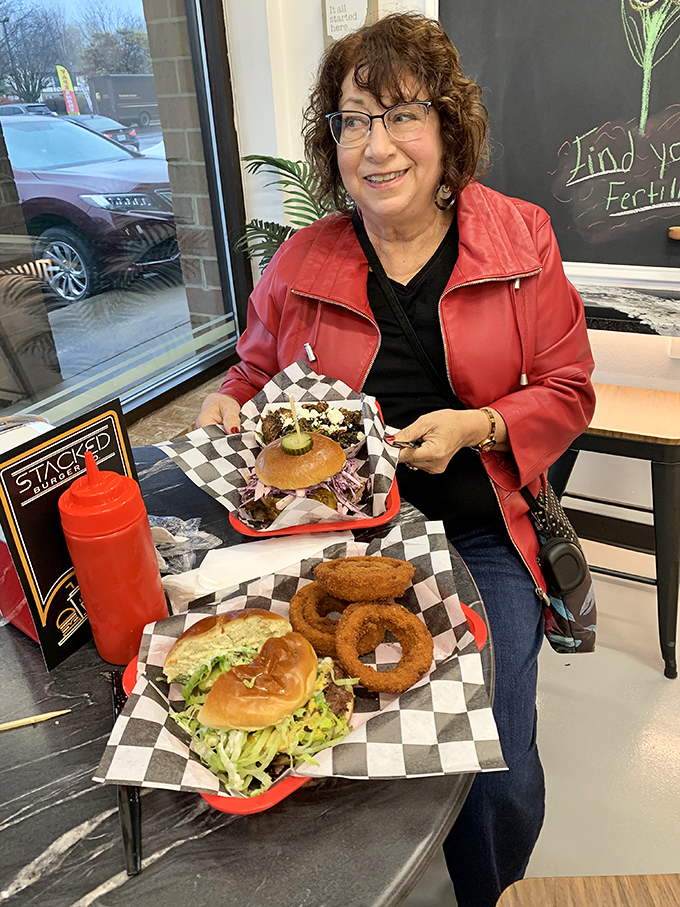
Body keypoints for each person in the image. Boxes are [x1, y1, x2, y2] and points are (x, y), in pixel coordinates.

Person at [197, 12, 595, 906]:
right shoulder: (303, 260)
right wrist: (231, 401)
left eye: (401, 114)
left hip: (481, 532)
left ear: (447, 130)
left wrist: (480, 425)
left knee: (493, 762)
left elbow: (569, 388)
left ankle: (488, 891)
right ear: (331, 140)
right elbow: (255, 366)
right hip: (338, 533)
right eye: (352, 120)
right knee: (303, 731)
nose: (376, 146)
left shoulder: (520, 238)